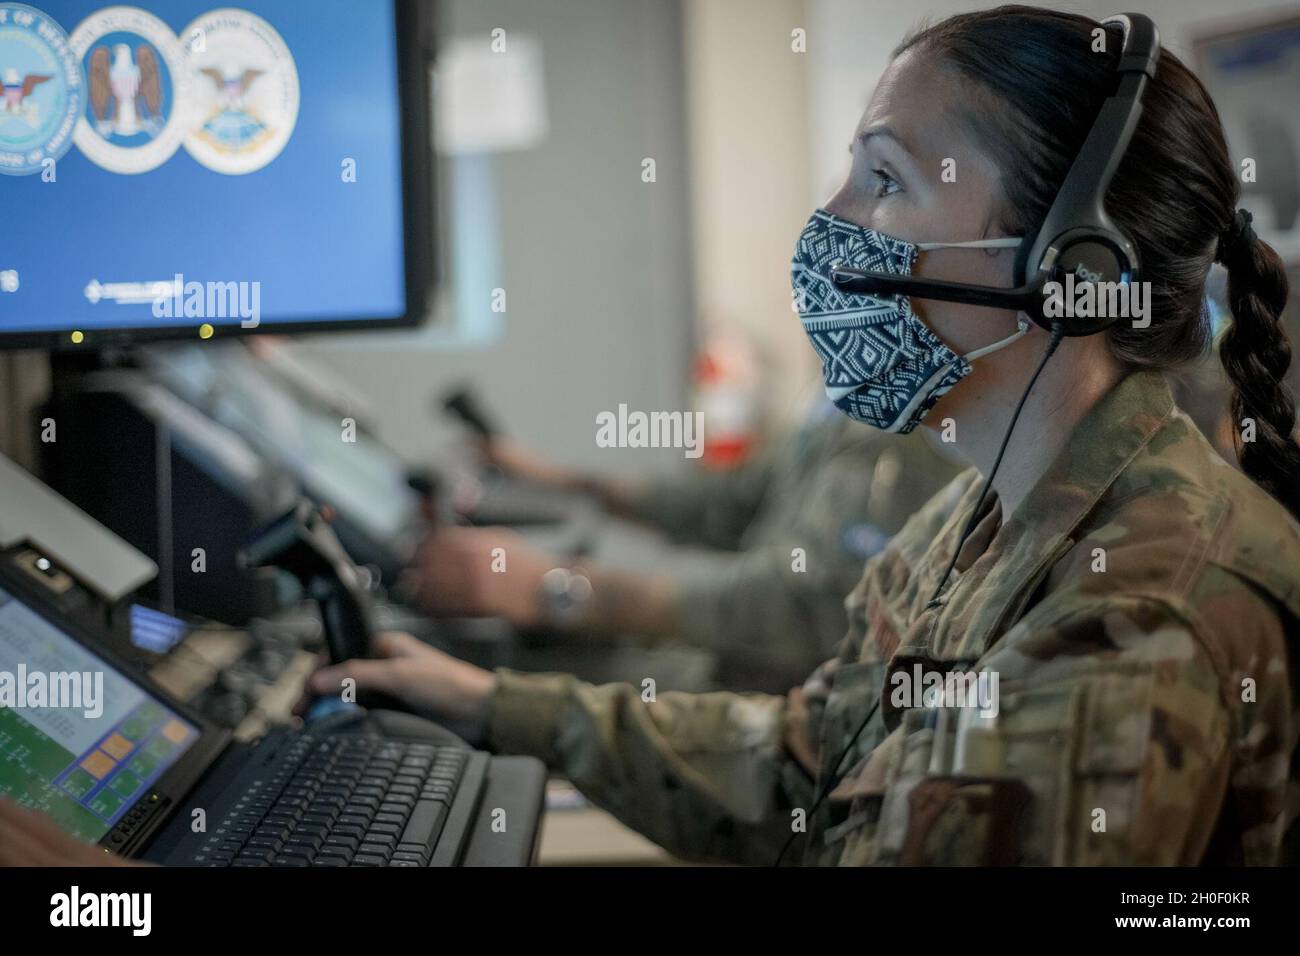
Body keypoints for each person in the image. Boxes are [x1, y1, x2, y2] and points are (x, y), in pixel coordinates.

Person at [308, 6, 1300, 866]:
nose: (832, 217)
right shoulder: (974, 511)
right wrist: (484, 703)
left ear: (1066, 261)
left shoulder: (1138, 619)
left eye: (884, 176)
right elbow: (803, 755)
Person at [409, 397, 960, 691]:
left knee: (499, 681)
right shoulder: (856, 402)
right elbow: (733, 500)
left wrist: (561, 590)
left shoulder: (910, 436)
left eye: (886, 185)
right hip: (741, 665)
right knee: (518, 655)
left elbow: (799, 605)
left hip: (786, 700)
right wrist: (572, 483)